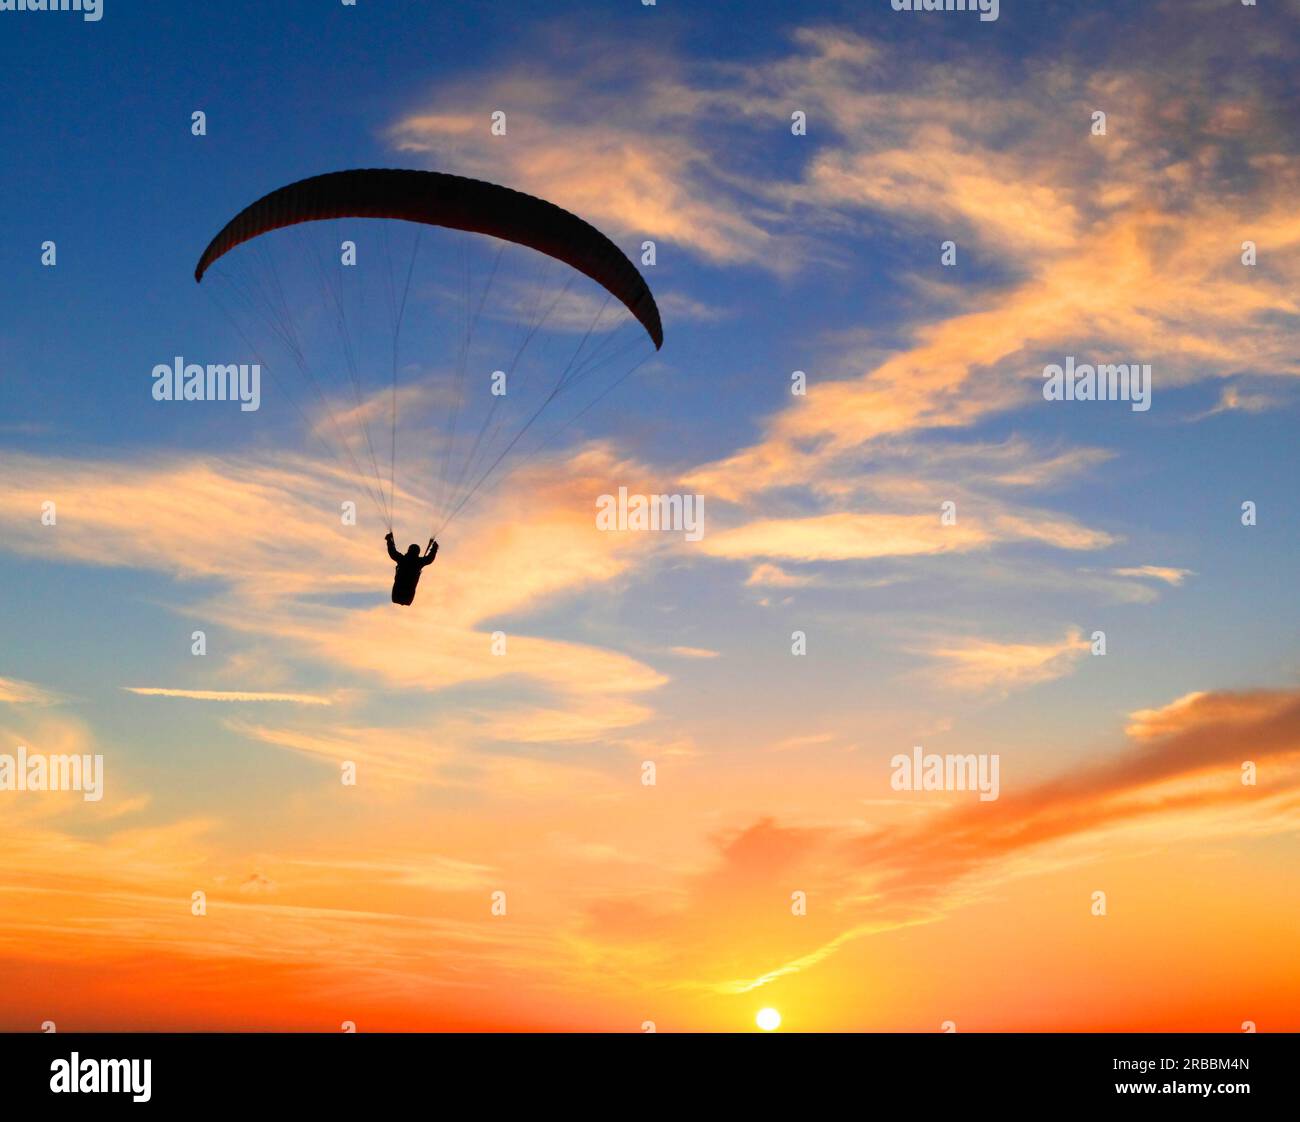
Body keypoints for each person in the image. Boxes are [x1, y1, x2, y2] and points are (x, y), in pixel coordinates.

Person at [386, 532, 438, 605]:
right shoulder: (419, 562)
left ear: (409, 550)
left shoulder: (402, 559)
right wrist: (434, 549)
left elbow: (392, 552)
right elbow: (430, 558)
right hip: (408, 596)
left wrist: (389, 540)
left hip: (397, 593)